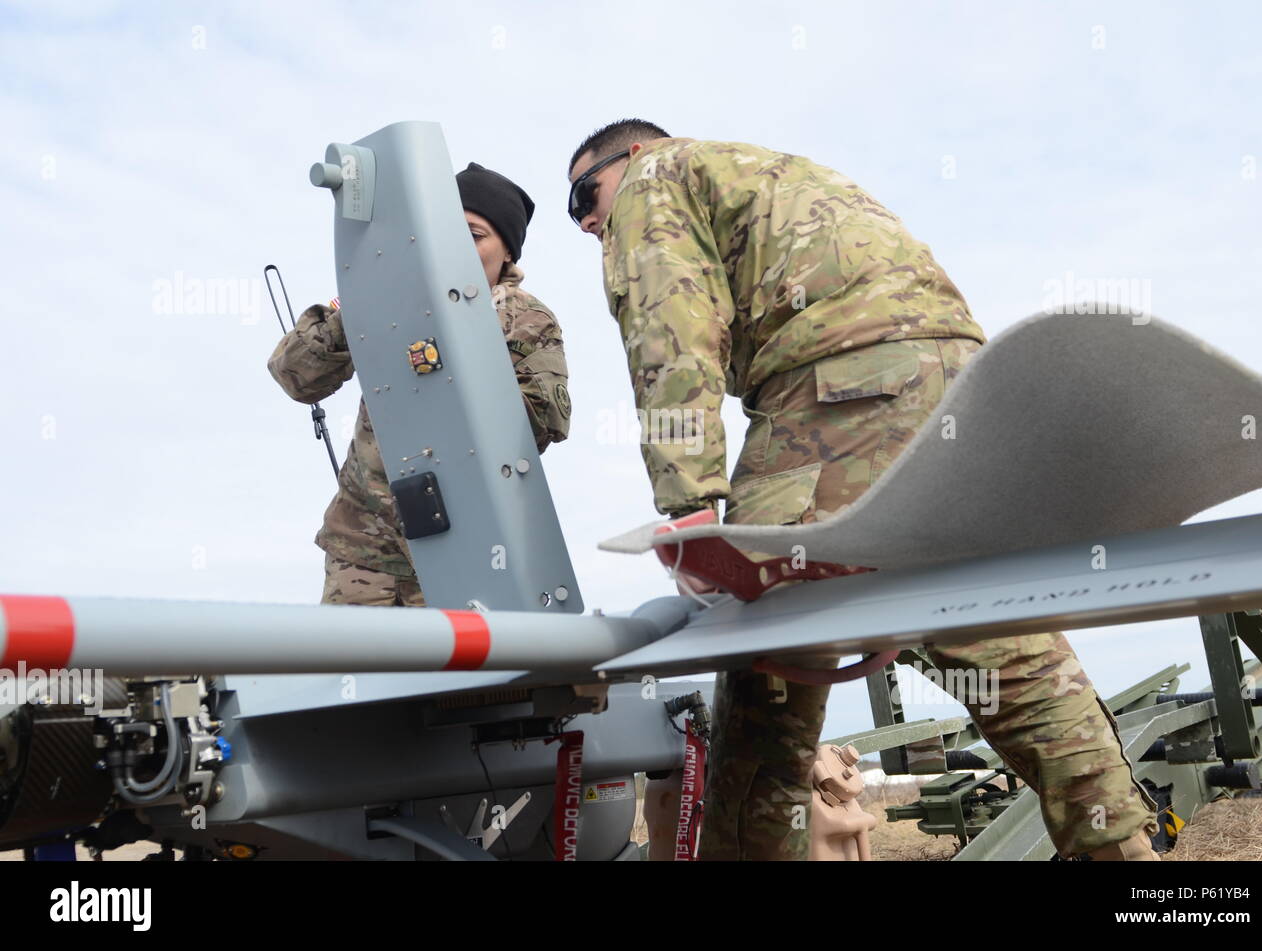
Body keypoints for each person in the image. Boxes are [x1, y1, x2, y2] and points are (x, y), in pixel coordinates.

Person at [567, 119, 1159, 861]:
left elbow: (668, 327)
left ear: (639, 153)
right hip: (955, 390)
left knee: (771, 669)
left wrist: (689, 501)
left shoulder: (657, 180)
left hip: (839, 394)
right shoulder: (773, 175)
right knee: (1001, 648)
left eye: (587, 193)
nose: (589, 219)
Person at [270, 163, 571, 607]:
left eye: (473, 235)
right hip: (363, 550)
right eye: (445, 231)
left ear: (507, 251)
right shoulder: (384, 292)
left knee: (459, 677)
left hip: (463, 550)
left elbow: (541, 424)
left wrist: (458, 342)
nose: (456, 247)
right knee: (359, 675)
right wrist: (361, 305)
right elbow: (296, 376)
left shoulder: (526, 319)